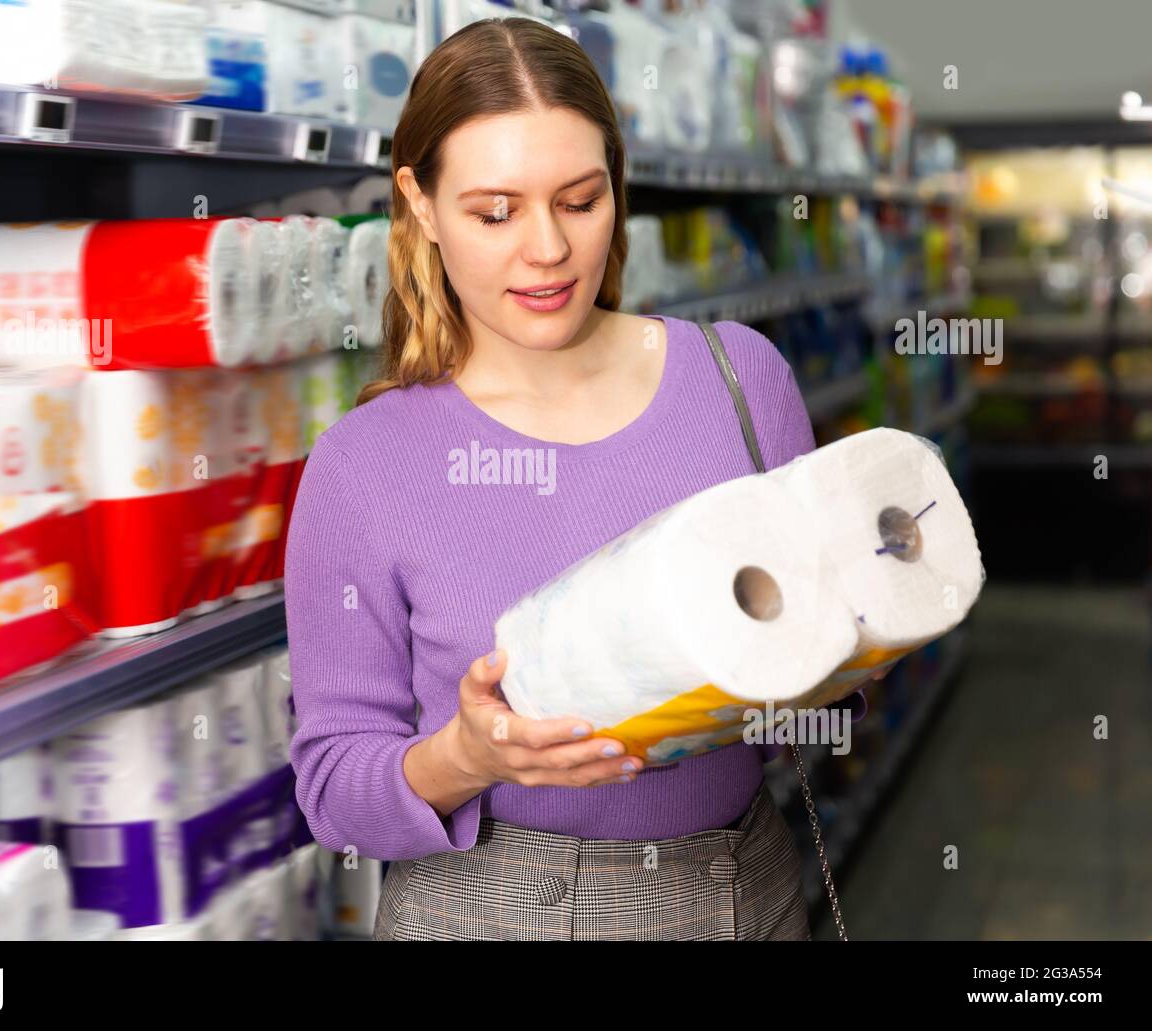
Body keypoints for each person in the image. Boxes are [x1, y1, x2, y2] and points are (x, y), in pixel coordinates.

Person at [284, 16, 870, 941]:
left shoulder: (739, 382)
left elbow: (818, 672)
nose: (548, 249)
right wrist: (464, 757)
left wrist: (842, 646)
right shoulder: (363, 466)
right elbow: (332, 789)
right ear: (423, 206)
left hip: (743, 884)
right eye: (495, 211)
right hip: (485, 904)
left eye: (580, 199)